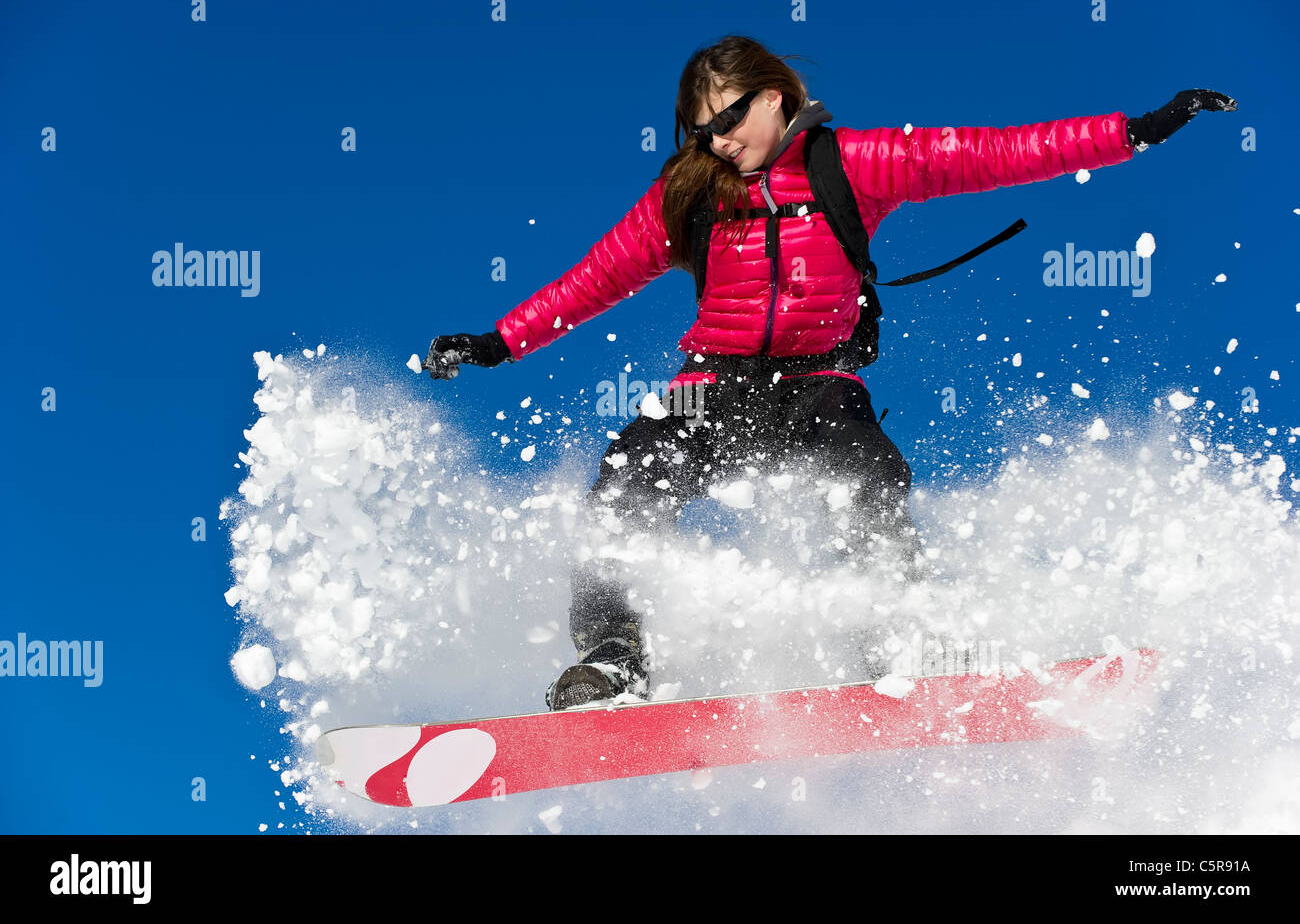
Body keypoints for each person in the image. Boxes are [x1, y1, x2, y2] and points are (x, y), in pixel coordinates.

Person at [422, 35, 1236, 710]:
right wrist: (500, 342)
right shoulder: (687, 195)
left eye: (730, 118)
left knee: (869, 474)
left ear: (776, 96)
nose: (718, 140)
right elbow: (596, 277)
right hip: (715, 382)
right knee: (627, 478)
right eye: (701, 129)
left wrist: (1134, 132)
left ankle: (889, 641)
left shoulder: (850, 166)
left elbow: (990, 154)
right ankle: (613, 659)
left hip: (819, 383)